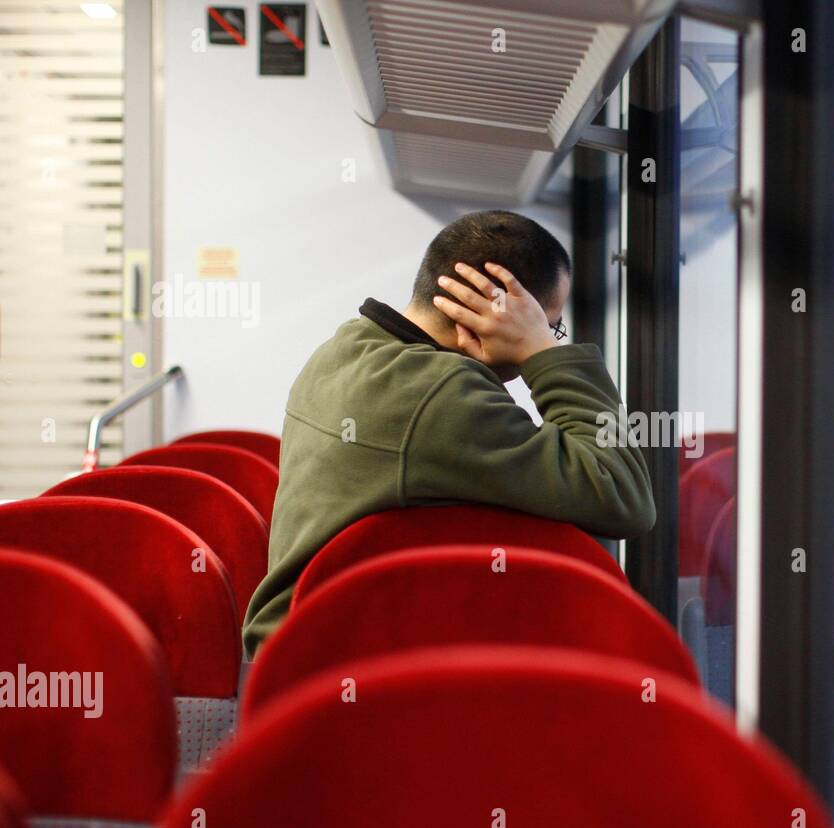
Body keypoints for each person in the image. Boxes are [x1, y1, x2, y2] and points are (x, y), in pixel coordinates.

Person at [241, 210, 655, 655]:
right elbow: (621, 492)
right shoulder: (437, 391)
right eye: (546, 324)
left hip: (296, 659)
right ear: (495, 308)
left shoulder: (345, 348)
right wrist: (541, 352)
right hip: (334, 672)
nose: (547, 337)